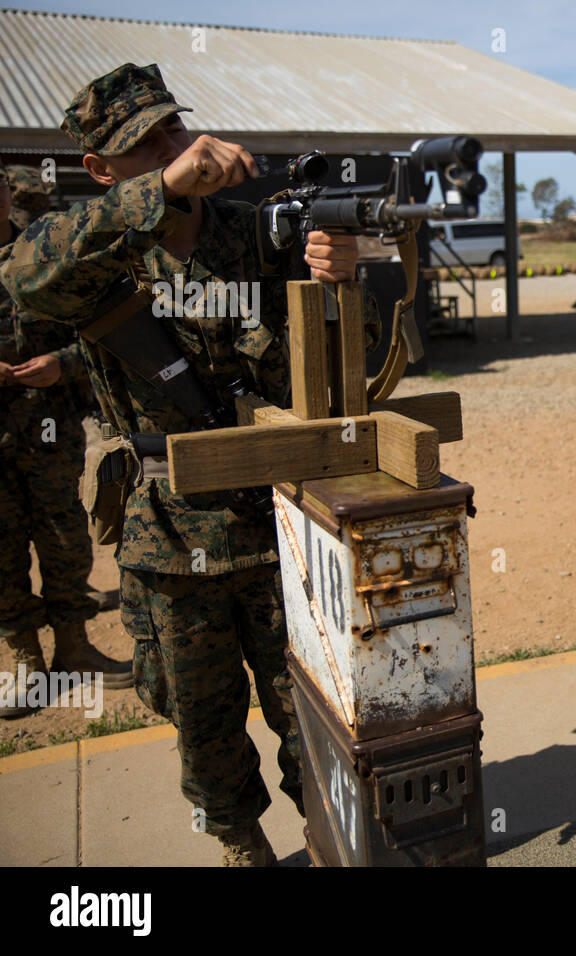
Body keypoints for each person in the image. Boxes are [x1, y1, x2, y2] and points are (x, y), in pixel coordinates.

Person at [0, 63, 371, 865]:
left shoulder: (252, 234)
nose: (178, 147)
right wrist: (161, 187)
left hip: (278, 518)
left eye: (176, 128)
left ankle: (334, 833)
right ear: (101, 170)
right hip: (171, 531)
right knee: (201, 719)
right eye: (147, 143)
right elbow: (25, 278)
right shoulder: (96, 252)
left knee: (311, 704)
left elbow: (351, 366)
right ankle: (241, 843)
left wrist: (342, 287)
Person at [0, 160, 133, 720]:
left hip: (50, 431)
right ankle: (24, 659)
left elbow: (104, 334)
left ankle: (75, 649)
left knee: (64, 539)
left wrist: (63, 364)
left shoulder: (47, 252)